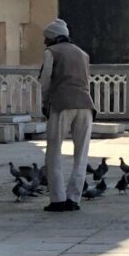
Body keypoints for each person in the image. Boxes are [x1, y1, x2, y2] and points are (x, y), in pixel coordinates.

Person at [38, 18, 94, 212]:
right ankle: (74, 198)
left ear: (52, 37)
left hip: (62, 104)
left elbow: (45, 81)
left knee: (53, 151)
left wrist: (45, 104)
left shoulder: (51, 52)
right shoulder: (82, 53)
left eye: (46, 38)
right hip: (86, 104)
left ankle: (58, 199)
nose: (44, 42)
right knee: (81, 154)